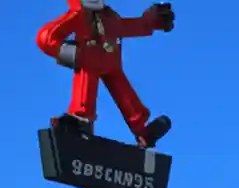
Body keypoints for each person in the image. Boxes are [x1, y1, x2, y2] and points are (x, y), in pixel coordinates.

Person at [37, 1, 176, 148]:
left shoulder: (109, 17)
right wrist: (73, 55)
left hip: (111, 64)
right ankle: (80, 120)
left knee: (123, 92)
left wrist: (151, 21)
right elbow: (46, 37)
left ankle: (142, 130)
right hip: (90, 61)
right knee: (87, 83)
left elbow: (128, 27)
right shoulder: (81, 15)